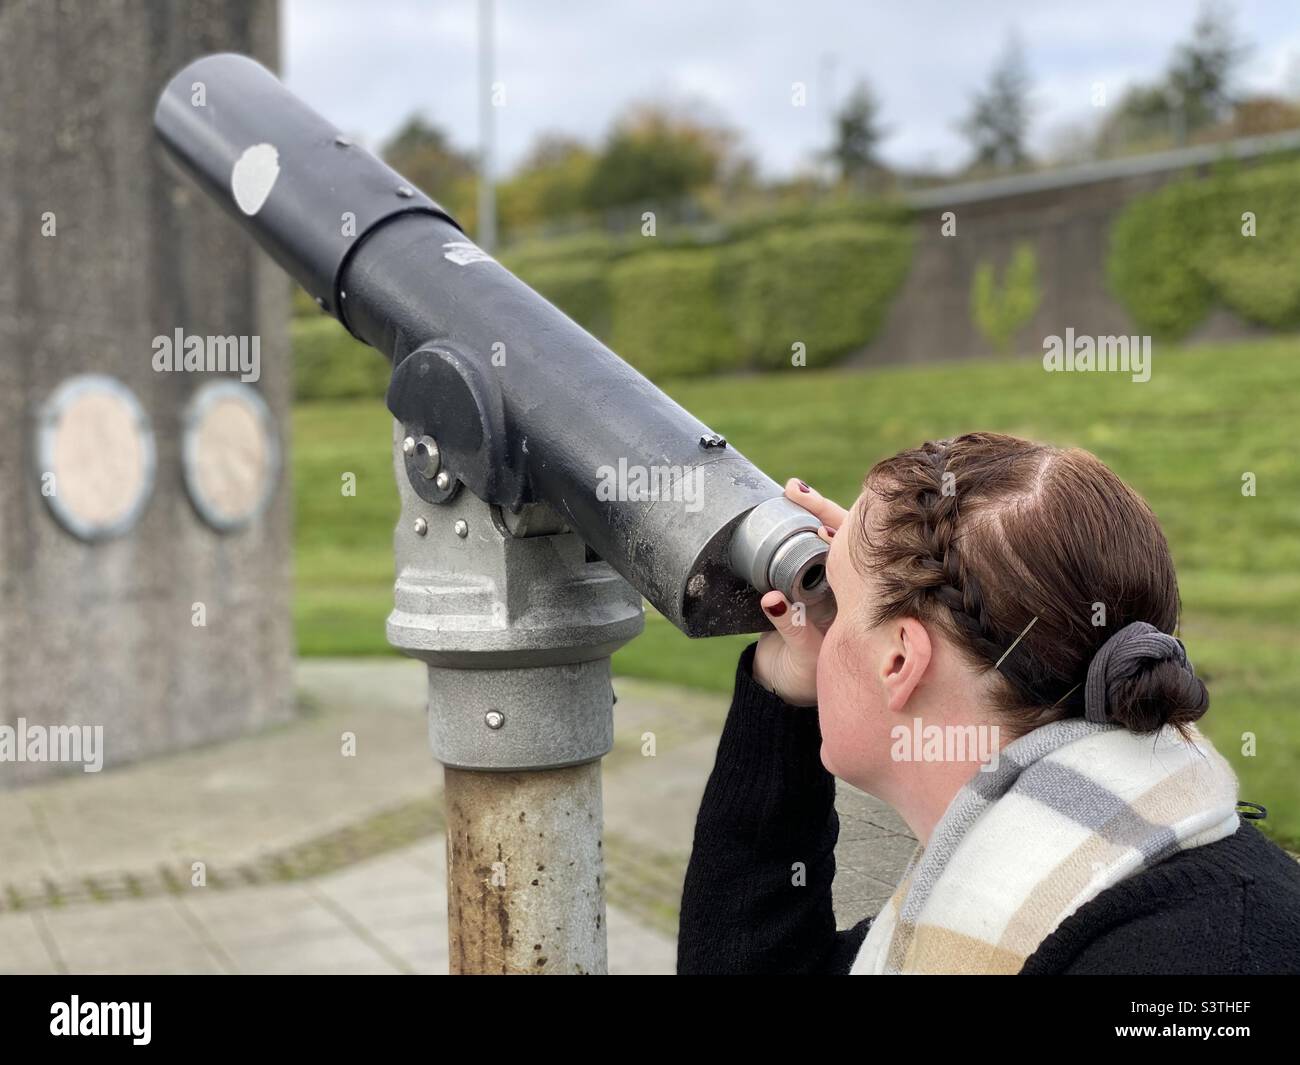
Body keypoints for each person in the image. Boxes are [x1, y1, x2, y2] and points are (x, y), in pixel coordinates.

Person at [677, 432, 1300, 974]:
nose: (821, 623)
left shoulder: (1198, 962)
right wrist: (784, 689)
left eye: (834, 595)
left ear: (899, 660)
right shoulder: (1026, 904)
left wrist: (868, 570)